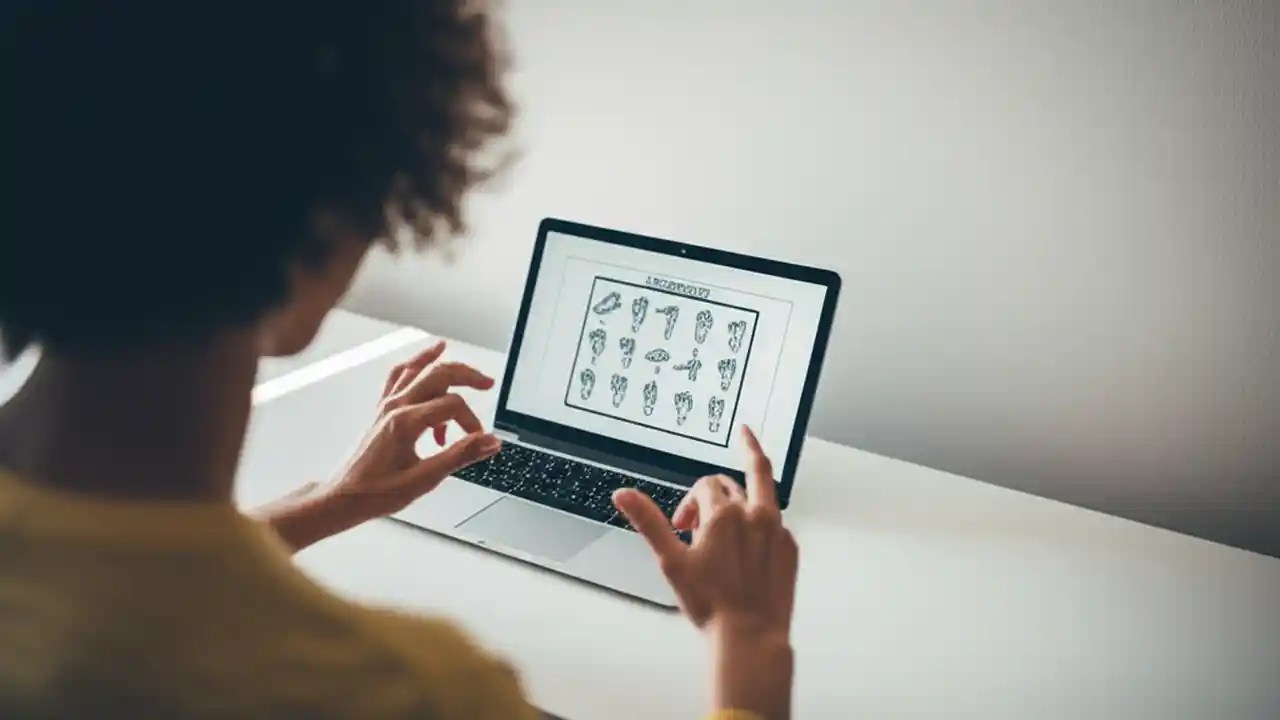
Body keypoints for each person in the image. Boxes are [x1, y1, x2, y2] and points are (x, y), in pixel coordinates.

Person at [0, 2, 799, 719]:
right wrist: (750, 648)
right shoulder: (407, 693)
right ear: (330, 228)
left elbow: (118, 582)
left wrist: (331, 501)